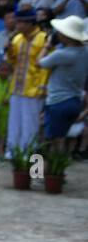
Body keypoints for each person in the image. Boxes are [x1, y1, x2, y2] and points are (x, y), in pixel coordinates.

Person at [37, 15, 88, 154]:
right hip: (74, 101)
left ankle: (41, 173)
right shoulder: (85, 52)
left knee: (46, 142)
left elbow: (40, 62)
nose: (58, 34)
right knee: (59, 139)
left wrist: (47, 45)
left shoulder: (62, 54)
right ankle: (54, 173)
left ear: (67, 35)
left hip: (58, 102)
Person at [4, 8, 50, 158]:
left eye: (19, 23)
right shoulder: (17, 39)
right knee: (14, 122)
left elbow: (46, 66)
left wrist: (42, 86)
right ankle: (12, 152)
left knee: (31, 125)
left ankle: (28, 155)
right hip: (16, 87)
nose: (16, 25)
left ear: (29, 23)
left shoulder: (43, 39)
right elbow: (12, 62)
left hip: (33, 88)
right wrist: (9, 50)